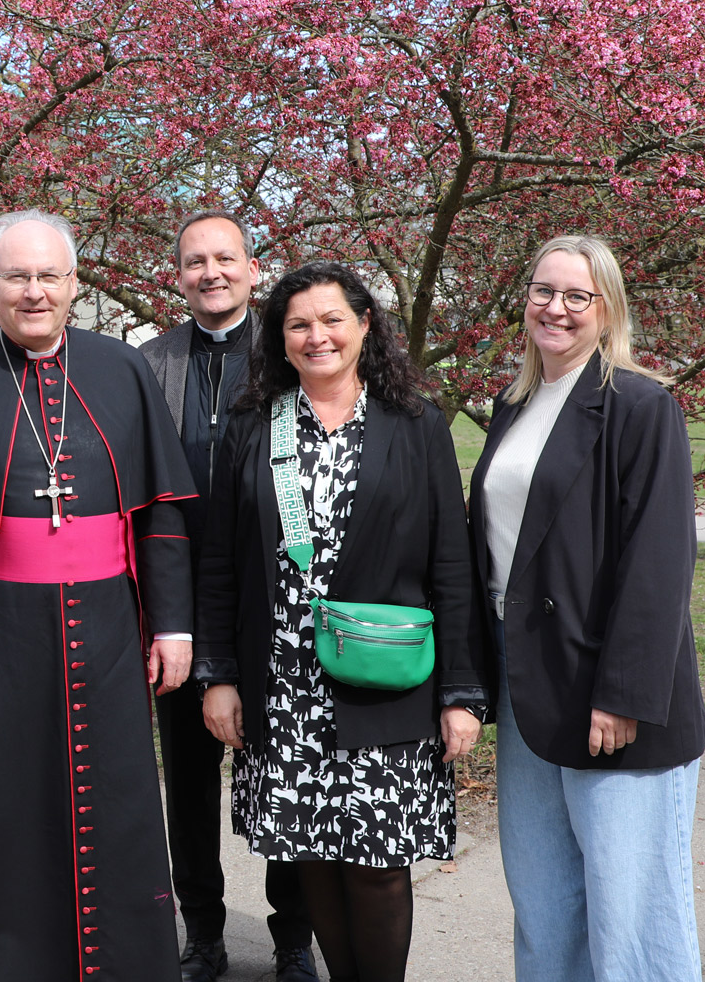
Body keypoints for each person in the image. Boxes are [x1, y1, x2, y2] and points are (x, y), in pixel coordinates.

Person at [0, 209, 198, 981]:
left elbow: (161, 517)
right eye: (17, 276)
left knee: (112, 810)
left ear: (75, 283)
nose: (34, 291)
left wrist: (174, 626)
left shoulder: (123, 371)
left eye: (49, 275)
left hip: (109, 629)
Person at [196, 262, 489, 982]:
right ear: (280, 339)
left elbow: (451, 564)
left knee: (380, 864)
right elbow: (220, 562)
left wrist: (461, 693)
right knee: (313, 858)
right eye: (298, 324)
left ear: (365, 325)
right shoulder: (250, 425)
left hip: (383, 680)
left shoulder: (415, 424)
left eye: (332, 320)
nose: (316, 336)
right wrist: (219, 677)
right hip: (284, 686)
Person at [470, 235, 705, 981]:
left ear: (608, 311)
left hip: (609, 684)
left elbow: (658, 564)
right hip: (525, 678)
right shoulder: (513, 406)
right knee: (544, 903)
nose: (557, 309)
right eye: (544, 291)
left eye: (578, 296)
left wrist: (624, 694)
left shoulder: (641, 405)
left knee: (631, 909)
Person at [139, 212, 317, 982]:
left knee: (284, 774)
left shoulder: (290, 357)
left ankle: (292, 939)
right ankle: (203, 934)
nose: (210, 272)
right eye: (194, 262)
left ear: (253, 267)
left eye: (224, 259)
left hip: (268, 604)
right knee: (186, 781)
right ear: (178, 276)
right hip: (174, 605)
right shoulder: (147, 365)